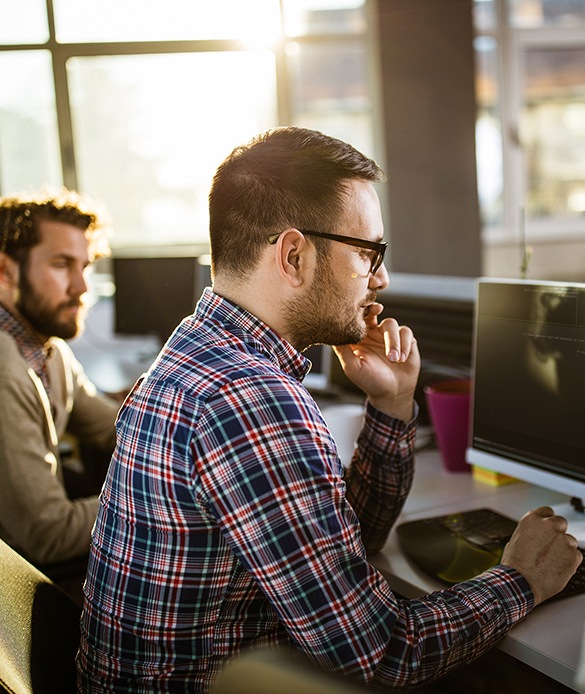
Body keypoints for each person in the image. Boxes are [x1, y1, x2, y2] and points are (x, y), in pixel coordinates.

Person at [78, 127, 582, 692]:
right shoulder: (252, 402)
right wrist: (521, 579)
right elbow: (383, 655)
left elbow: (338, 555)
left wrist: (390, 405)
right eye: (370, 253)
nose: (382, 278)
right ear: (294, 255)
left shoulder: (195, 350)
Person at [0, 188, 120, 602]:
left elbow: (113, 427)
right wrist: (157, 498)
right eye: (61, 265)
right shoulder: (3, 367)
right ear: (5, 271)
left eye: (85, 267)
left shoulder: (47, 349)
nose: (81, 286)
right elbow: (46, 535)